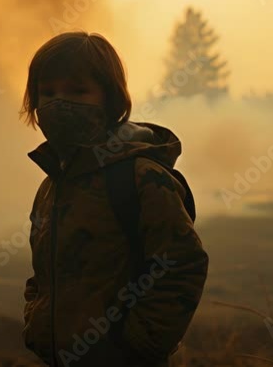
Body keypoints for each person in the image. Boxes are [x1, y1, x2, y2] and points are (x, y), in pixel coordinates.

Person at [20, 31, 208, 367]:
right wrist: (36, 323)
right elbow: (43, 275)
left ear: (110, 100)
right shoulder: (51, 186)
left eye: (77, 91)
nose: (58, 103)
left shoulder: (140, 177)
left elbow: (182, 264)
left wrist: (137, 347)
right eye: (47, 92)